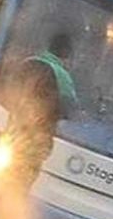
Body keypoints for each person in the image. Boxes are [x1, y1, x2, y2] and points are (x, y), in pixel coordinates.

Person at [4, 31, 78, 192]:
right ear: (66, 55)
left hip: (12, 133)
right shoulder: (62, 76)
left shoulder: (27, 63)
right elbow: (69, 110)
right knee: (20, 185)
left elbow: (7, 91)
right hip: (36, 141)